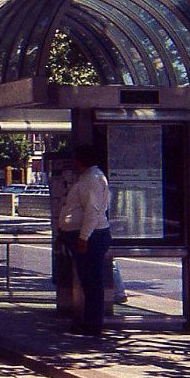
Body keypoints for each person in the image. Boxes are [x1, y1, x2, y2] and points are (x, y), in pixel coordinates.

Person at [57, 144, 112, 337]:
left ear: (81, 160)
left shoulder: (93, 179)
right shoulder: (88, 178)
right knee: (87, 280)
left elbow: (93, 211)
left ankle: (92, 324)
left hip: (92, 235)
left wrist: (84, 237)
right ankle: (89, 321)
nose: (73, 162)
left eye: (75, 158)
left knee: (92, 281)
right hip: (85, 234)